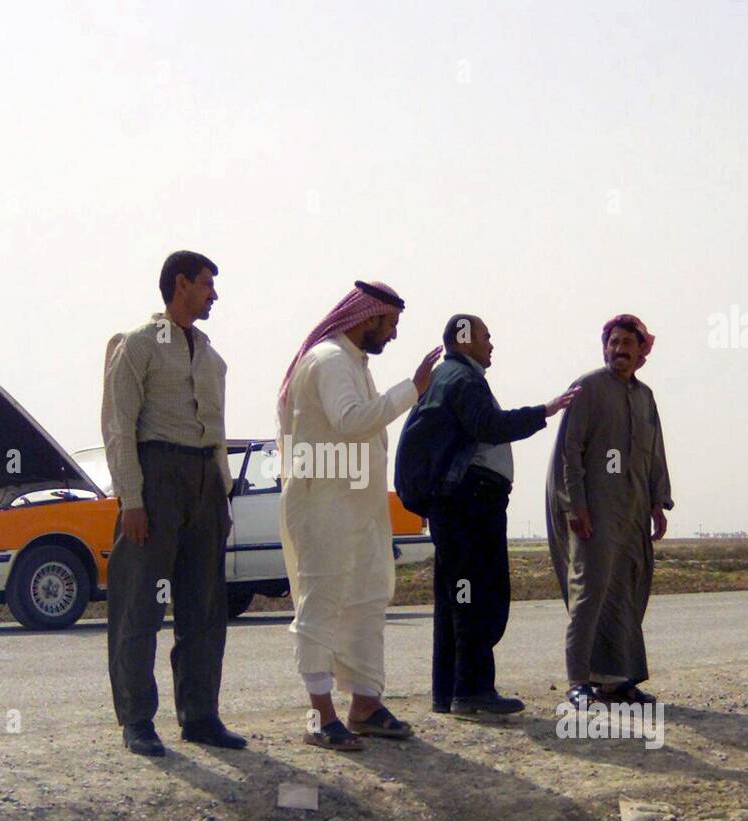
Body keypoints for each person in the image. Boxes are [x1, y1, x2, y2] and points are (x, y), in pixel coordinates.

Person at [277, 280, 441, 751]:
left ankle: (365, 704)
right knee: (321, 604)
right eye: (389, 323)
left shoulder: (353, 363)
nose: (392, 334)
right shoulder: (329, 361)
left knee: (368, 599)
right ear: (367, 318)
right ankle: (319, 716)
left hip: (359, 507)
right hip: (324, 504)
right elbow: (351, 421)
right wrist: (413, 389)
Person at [395, 314, 577, 718]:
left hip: (457, 506)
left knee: (456, 597)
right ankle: (472, 690)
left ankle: (451, 693)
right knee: (478, 597)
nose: (492, 344)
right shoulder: (462, 379)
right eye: (486, 336)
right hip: (470, 505)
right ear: (464, 338)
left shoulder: (447, 378)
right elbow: (489, 425)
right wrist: (544, 411)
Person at [101, 250, 245, 757]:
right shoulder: (137, 344)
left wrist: (223, 493)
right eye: (207, 284)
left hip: (205, 480)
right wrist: (132, 500)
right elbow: (119, 427)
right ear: (180, 284)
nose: (214, 295)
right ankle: (138, 720)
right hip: (156, 477)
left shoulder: (210, 354)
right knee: (141, 603)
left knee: (205, 607)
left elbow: (219, 431)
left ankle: (201, 716)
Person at [545, 314, 673, 707]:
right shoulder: (589, 387)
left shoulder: (645, 396)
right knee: (590, 592)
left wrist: (658, 501)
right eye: (613, 343)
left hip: (632, 509)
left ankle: (616, 681)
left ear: (640, 352)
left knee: (627, 592)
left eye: (626, 344)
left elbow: (655, 453)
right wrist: (575, 506)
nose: (618, 350)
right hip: (594, 508)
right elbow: (571, 450)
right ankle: (578, 680)